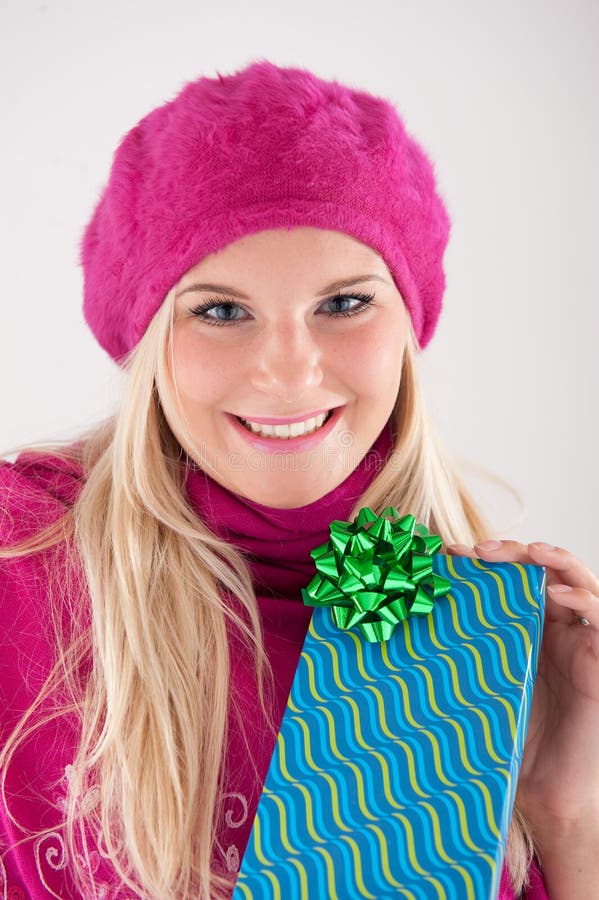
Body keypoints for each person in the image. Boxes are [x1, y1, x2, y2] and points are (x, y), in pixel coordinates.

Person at [0, 58, 597, 900]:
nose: (289, 371)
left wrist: (564, 810)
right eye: (219, 311)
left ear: (407, 323)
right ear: (146, 342)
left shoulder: (481, 634)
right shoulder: (19, 561)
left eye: (344, 303)